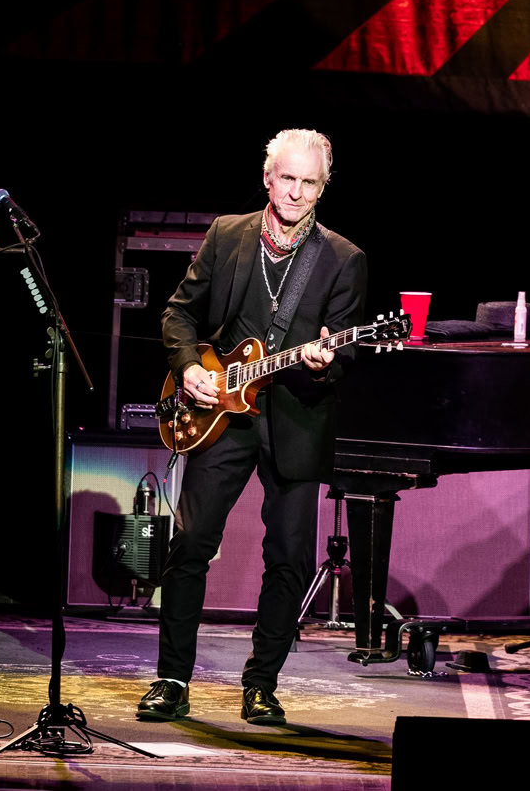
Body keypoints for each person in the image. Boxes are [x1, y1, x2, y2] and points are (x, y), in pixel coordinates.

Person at [137, 129, 367, 725]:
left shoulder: (343, 258)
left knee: (288, 557)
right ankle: (170, 679)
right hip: (219, 414)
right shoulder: (227, 234)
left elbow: (343, 356)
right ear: (268, 178)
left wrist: (326, 362)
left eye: (308, 182)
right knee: (189, 545)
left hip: (296, 419)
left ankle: (261, 684)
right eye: (286, 178)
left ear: (323, 187)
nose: (295, 192)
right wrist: (188, 368)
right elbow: (179, 312)